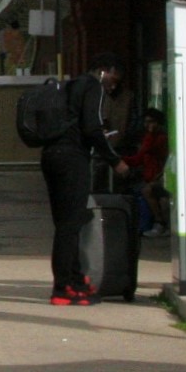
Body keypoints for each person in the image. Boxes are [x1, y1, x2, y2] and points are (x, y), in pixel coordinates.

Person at [40, 52, 133, 306]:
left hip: (51, 156)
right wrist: (115, 160)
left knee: (65, 223)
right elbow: (92, 128)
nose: (113, 86)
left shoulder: (69, 86)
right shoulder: (93, 87)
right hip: (72, 159)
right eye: (114, 79)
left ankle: (76, 278)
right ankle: (63, 288)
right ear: (104, 70)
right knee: (70, 225)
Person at [123, 107, 170, 238]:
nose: (148, 125)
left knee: (147, 191)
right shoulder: (149, 138)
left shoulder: (160, 139)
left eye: (151, 122)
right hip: (151, 177)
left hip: (160, 177)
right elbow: (139, 159)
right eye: (146, 122)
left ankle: (160, 222)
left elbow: (146, 151)